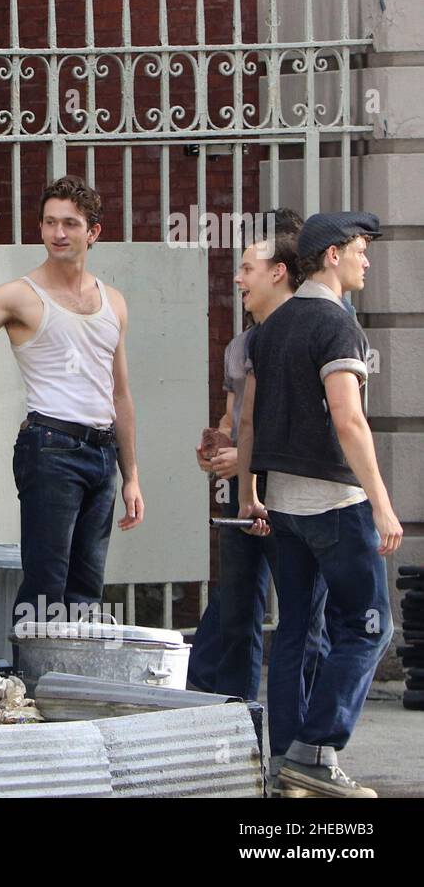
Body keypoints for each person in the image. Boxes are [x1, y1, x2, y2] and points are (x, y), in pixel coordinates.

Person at [0, 176, 143, 633]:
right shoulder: (18, 295)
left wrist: (132, 477)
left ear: (94, 232)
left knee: (87, 589)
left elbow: (120, 393)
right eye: (49, 222)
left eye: (69, 223)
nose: (57, 233)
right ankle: (30, 687)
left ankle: (71, 688)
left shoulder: (114, 302)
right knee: (46, 585)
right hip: (50, 447)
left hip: (103, 454)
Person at [237, 211, 401, 797]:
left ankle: (284, 760)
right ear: (332, 254)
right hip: (337, 502)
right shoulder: (337, 326)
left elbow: (250, 420)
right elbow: (349, 418)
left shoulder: (271, 328)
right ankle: (317, 749)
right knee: (368, 627)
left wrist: (251, 491)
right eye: (360, 248)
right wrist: (381, 502)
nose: (366, 259)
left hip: (284, 503)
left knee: (297, 630)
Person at [188, 210, 331, 701]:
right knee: (236, 608)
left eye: (248, 267)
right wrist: (220, 446)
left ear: (278, 272)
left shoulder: (314, 332)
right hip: (244, 493)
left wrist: (249, 461)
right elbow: (236, 419)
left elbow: (313, 424)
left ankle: (307, 734)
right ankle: (236, 722)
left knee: (304, 615)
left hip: (291, 493)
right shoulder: (241, 345)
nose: (237, 277)